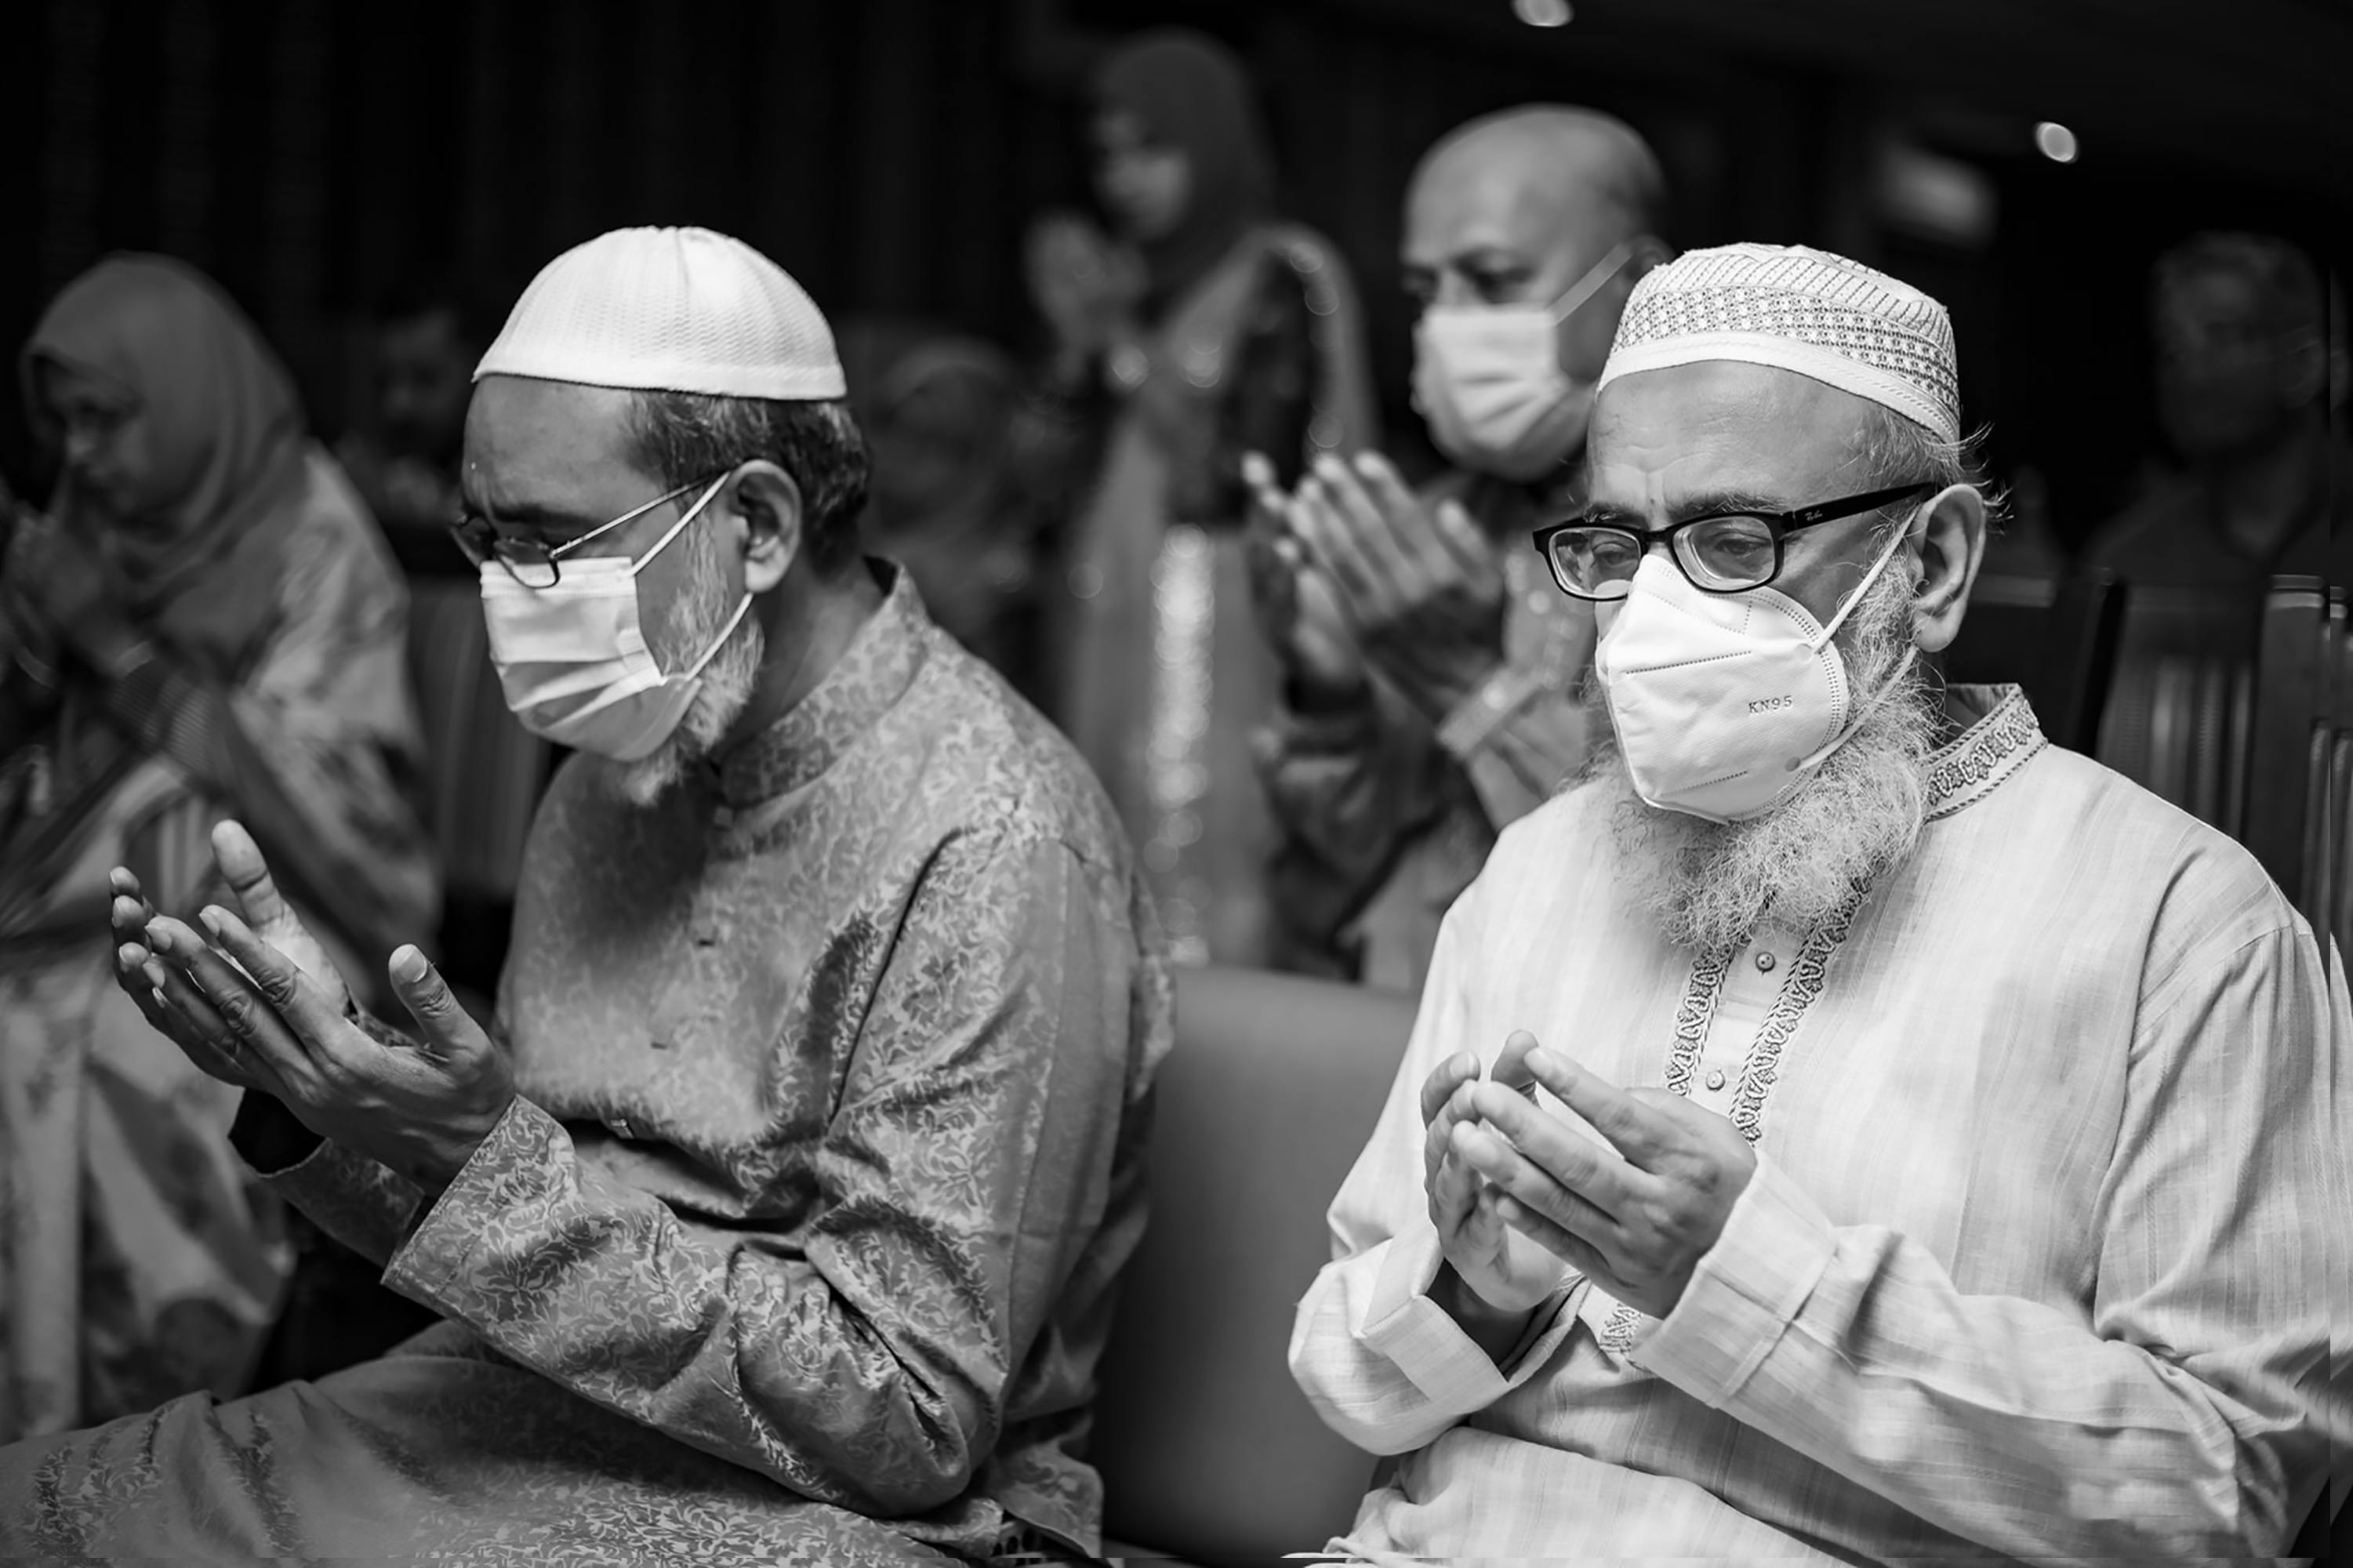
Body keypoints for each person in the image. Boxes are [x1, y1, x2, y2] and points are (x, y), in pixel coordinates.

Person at [0, 226, 1171, 1567]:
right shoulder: (611, 780)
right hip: (523, 1410)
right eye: (486, 537)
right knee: (53, 1512)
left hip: (861, 1518)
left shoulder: (996, 834)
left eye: (551, 544)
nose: (507, 595)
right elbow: (527, 1237)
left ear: (754, 527)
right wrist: (335, 1096)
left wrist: (479, 1161)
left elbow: (907, 1418)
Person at [1288, 243, 2349, 1560]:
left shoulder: (2180, 927)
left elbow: (2227, 1489)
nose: (1649, 618)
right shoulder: (1538, 869)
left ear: (1936, 563)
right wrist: (1478, 1296)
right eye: (1617, 545)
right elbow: (1345, 1370)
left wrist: (1749, 1281)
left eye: (1733, 542)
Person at [0, 256, 438, 1443]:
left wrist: (122, 653)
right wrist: (39, 641)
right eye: (64, 424)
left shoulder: (313, 538)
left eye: (108, 418)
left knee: (133, 1053)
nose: (81, 453)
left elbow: (347, 804)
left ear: (186, 399)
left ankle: (135, 1432)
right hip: (75, 890)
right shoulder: (93, 519)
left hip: (275, 900)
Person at [1248, 106, 1669, 993]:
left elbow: (1681, 870)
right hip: (1405, 1011)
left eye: (1491, 280)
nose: (1445, 327)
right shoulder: (1417, 535)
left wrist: (1471, 686)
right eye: (1423, 294)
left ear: (1635, 285)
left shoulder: (1709, 553)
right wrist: (1329, 695)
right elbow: (1326, 889)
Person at [1025, 29, 1377, 967]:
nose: (1125, 180)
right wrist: (1075, 349)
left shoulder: (1281, 275)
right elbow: (1050, 477)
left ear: (1212, 145)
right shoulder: (1134, 288)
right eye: (1108, 155)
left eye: (1154, 149)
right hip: (1110, 630)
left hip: (1221, 643)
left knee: (1202, 877)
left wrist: (1119, 346)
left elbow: (1241, 474)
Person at [2079, 233, 2350, 812]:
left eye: (2223, 336)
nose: (2186, 366)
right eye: (2171, 344)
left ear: (2304, 365)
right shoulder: (2128, 562)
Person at [837, 317, 1041, 693]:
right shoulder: (849, 558)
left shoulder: (1011, 586)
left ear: (987, 455)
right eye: (894, 423)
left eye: (934, 437)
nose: (900, 452)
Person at [335, 278, 492, 569]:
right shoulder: (361, 464)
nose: (397, 404)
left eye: (425, 379)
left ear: (483, 372)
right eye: (384, 381)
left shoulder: (512, 487)